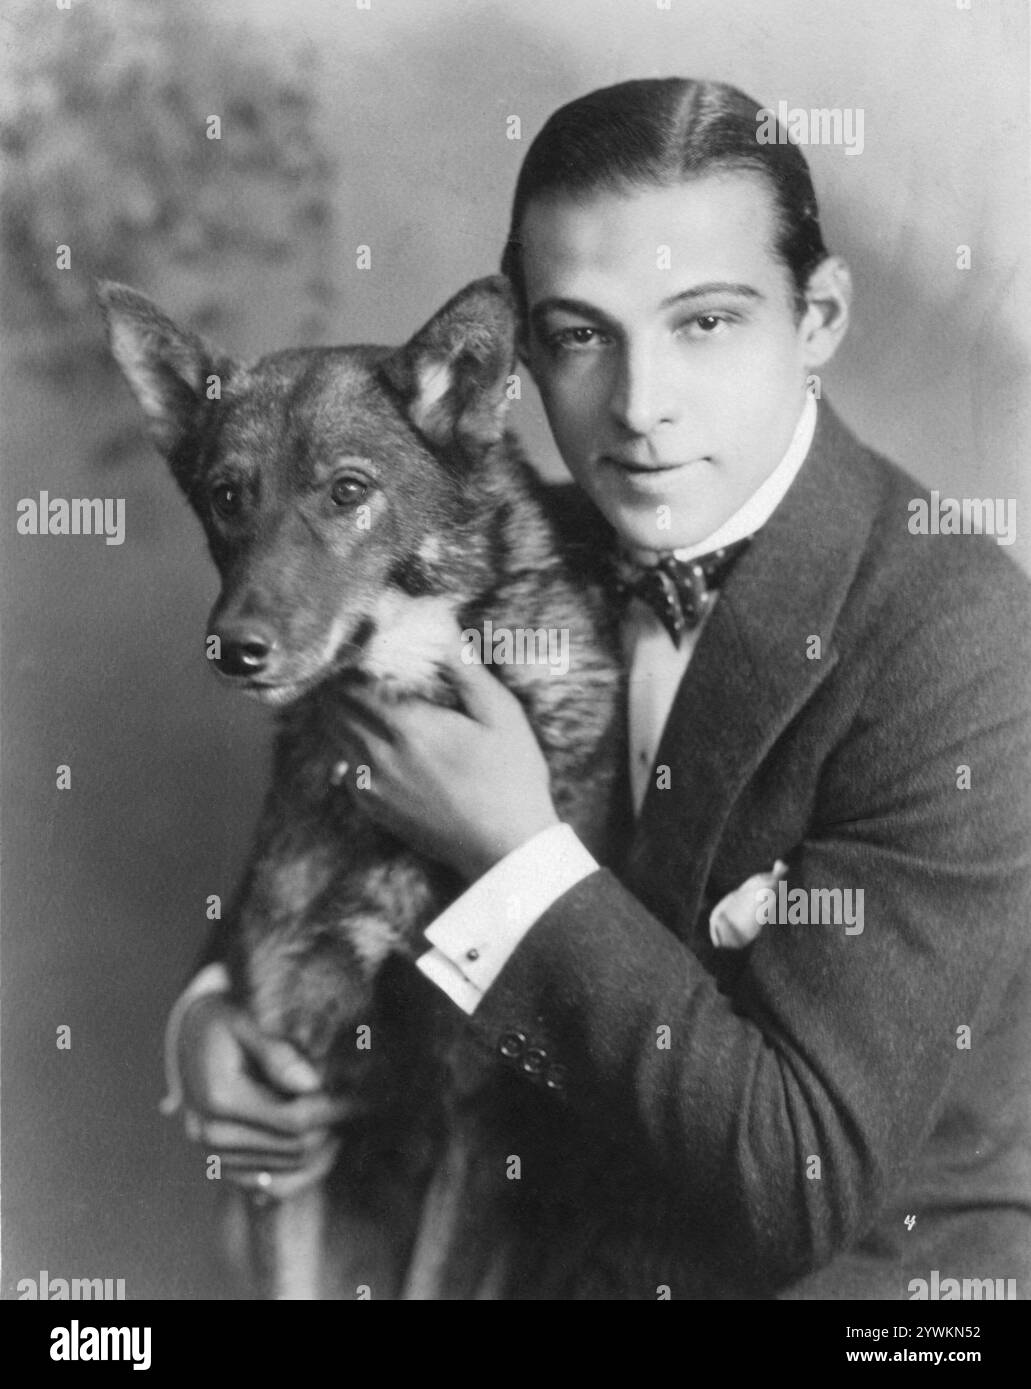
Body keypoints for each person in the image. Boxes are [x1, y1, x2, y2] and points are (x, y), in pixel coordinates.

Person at [167, 77, 1031, 1299]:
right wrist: (212, 1020)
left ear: (819, 315)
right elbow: (321, 834)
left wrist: (514, 853)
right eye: (579, 333)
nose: (637, 407)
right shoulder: (492, 549)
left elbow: (799, 1178)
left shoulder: (957, 631)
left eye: (706, 323)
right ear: (506, 356)